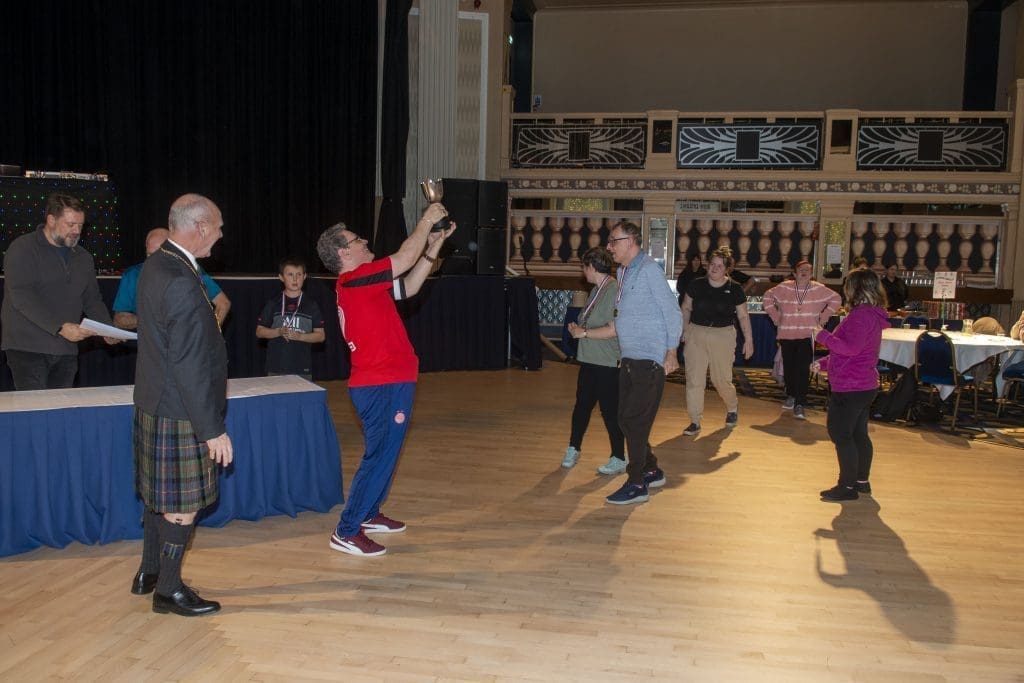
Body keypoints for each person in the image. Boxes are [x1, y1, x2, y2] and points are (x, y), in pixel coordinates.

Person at [316, 203, 453, 555]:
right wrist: (426, 220)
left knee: (386, 454)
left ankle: (368, 513)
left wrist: (434, 246)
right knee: (379, 456)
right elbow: (404, 258)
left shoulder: (365, 283)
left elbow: (408, 287)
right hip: (380, 383)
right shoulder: (354, 279)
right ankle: (346, 530)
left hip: (390, 379)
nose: (365, 242)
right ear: (344, 253)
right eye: (357, 240)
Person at [131, 193, 233, 616]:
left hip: (154, 400)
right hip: (180, 408)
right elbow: (189, 364)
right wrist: (212, 430)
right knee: (182, 504)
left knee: (157, 496)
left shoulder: (157, 265)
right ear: (201, 227)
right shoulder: (180, 280)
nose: (221, 235)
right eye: (218, 227)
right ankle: (168, 591)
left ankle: (149, 571)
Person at [570, 221, 682, 505]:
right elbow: (622, 319)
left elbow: (672, 313)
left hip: (649, 358)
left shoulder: (649, 270)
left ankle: (636, 483)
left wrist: (671, 352)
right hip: (629, 358)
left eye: (613, 241)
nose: (609, 247)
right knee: (624, 418)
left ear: (631, 241)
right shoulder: (623, 272)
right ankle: (651, 469)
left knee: (635, 420)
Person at [1, 193, 119, 390]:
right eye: (71, 224)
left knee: (62, 407)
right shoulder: (23, 248)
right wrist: (60, 327)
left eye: (80, 226)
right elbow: (22, 296)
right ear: (51, 220)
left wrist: (107, 328)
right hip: (26, 347)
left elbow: (92, 299)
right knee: (35, 406)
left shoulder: (84, 257)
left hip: (66, 349)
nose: (77, 231)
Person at [811, 269, 890, 502]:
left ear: (855, 288)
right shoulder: (870, 314)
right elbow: (854, 352)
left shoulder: (861, 316)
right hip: (862, 383)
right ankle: (861, 481)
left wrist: (821, 335)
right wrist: (824, 363)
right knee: (858, 435)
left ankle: (846, 486)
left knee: (841, 434)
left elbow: (850, 349)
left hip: (851, 386)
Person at [561, 248, 625, 474]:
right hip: (589, 360)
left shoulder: (614, 290)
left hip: (607, 362)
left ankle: (619, 457)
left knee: (610, 412)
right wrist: (578, 328)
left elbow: (614, 329)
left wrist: (584, 333)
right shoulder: (597, 290)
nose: (583, 271)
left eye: (584, 266)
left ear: (592, 267)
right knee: (582, 406)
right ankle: (573, 447)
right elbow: (589, 320)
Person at [679, 246, 754, 434]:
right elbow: (686, 307)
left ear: (727, 269)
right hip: (696, 333)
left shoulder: (735, 289)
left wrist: (749, 340)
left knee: (720, 380)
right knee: (694, 379)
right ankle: (695, 420)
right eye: (712, 264)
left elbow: (743, 316)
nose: (714, 268)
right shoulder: (696, 285)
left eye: (719, 266)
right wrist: (684, 330)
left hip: (723, 335)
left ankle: (732, 406)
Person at [763, 260, 840, 420]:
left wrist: (824, 317)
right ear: (794, 273)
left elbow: (836, 299)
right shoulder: (784, 287)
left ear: (811, 274)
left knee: (802, 369)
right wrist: (775, 317)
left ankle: (800, 402)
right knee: (789, 368)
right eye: (801, 269)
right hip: (787, 334)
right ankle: (791, 395)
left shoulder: (818, 288)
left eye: (808, 270)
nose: (804, 272)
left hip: (807, 335)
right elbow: (767, 297)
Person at [113, 228, 231, 330]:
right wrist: (151, 320)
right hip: (148, 344)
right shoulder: (133, 275)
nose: (153, 261)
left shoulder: (190, 270)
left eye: (159, 255)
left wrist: (210, 335)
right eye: (149, 255)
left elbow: (223, 304)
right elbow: (119, 319)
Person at [255, 257, 325, 379]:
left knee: (302, 392)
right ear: (281, 277)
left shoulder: (311, 304)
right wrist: (278, 332)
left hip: (302, 368)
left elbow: (321, 336)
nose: (295, 279)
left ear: (304, 276)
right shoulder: (273, 303)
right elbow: (259, 332)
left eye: (299, 274)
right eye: (290, 274)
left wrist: (300, 336)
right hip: (275, 367)